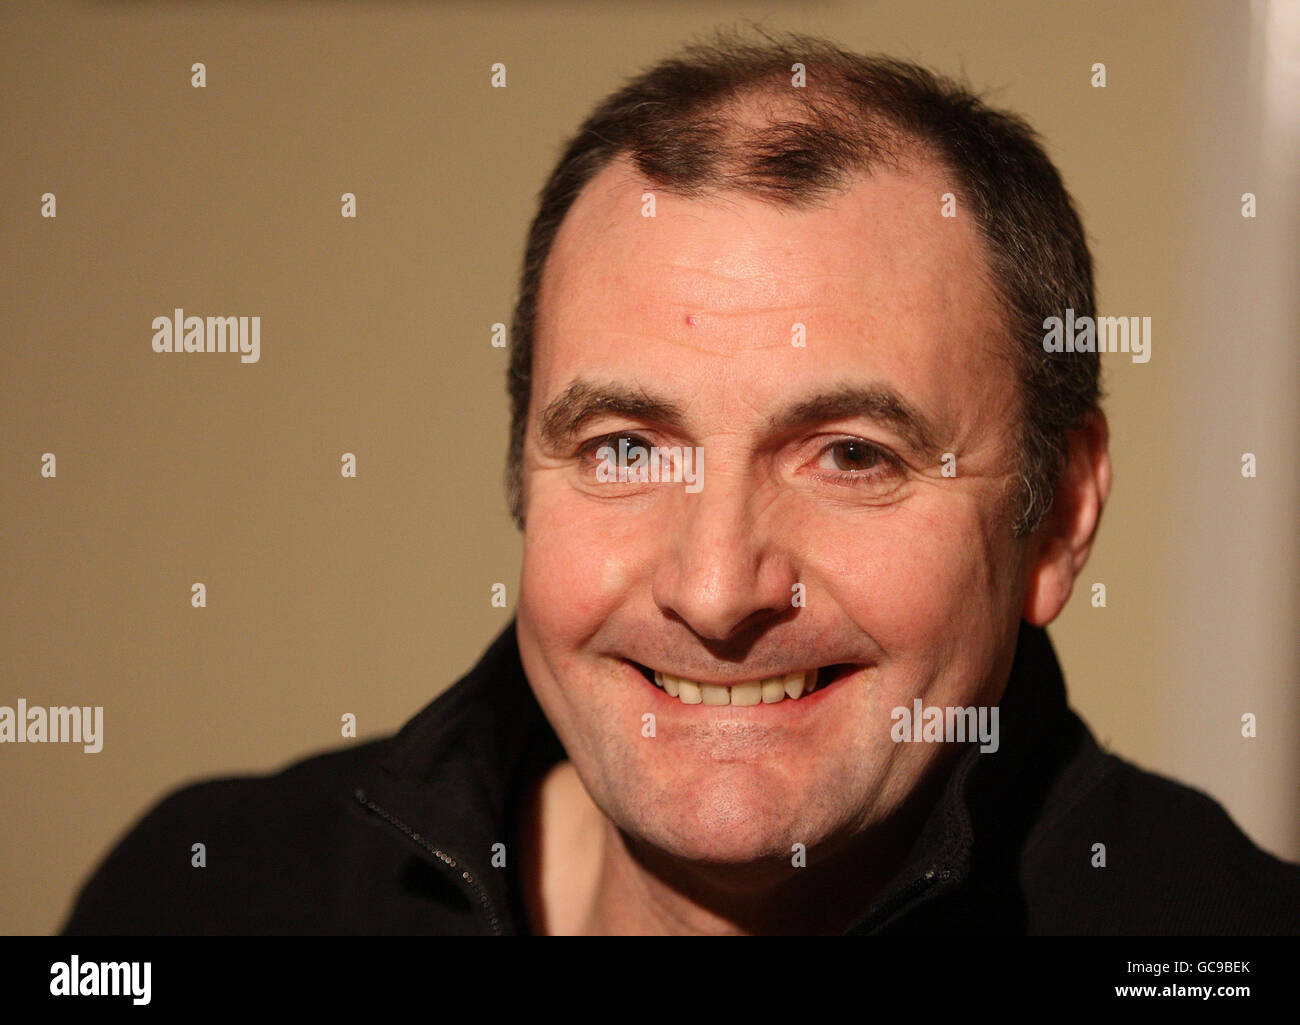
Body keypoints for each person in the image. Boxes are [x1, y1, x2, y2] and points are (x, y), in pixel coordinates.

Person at [63, 30, 1299, 936]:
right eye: (624, 449)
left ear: (1059, 517)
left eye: (852, 455)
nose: (715, 592)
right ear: (520, 475)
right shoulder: (206, 893)